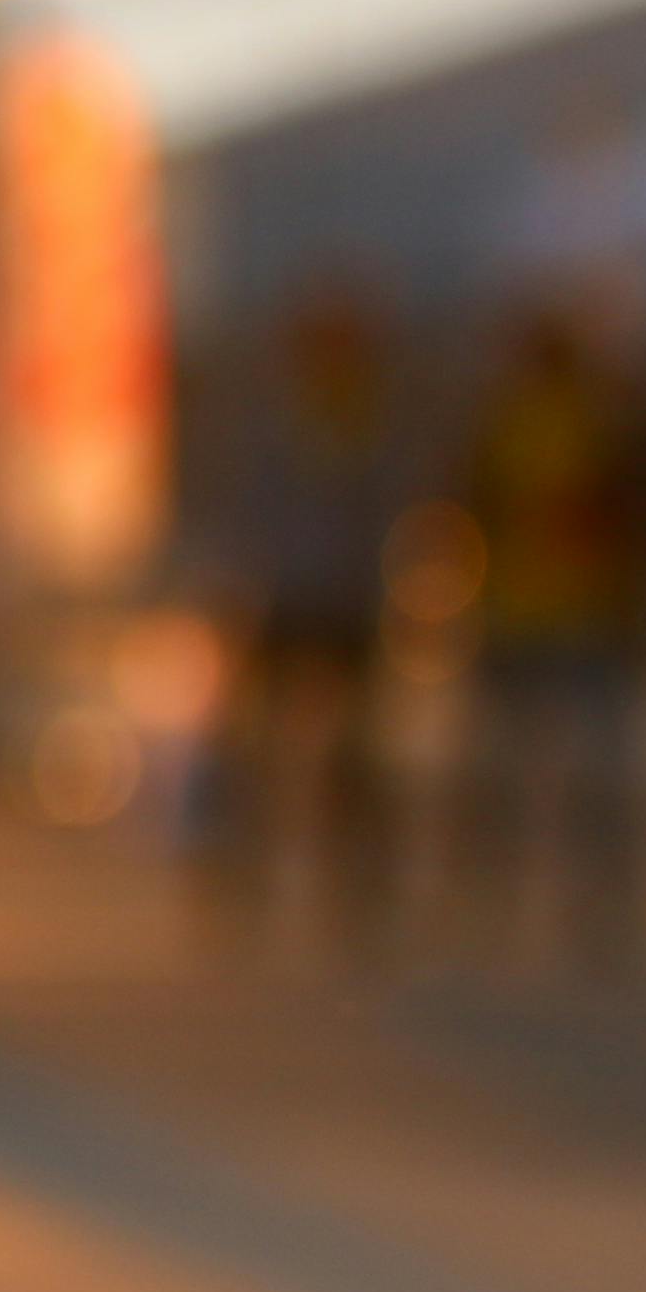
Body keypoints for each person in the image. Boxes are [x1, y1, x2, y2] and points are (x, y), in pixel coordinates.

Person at [447, 294, 646, 962]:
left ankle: (597, 902)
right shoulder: (506, 420)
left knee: (592, 771)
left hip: (585, 613)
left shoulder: (600, 420)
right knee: (511, 769)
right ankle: (495, 898)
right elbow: (475, 503)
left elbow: (634, 508)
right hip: (521, 612)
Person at [194, 277, 403, 954]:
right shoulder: (290, 414)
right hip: (291, 597)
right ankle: (250, 875)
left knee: (347, 753)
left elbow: (385, 515)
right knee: (264, 746)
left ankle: (348, 883)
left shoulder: (363, 416)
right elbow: (249, 512)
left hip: (339, 598)